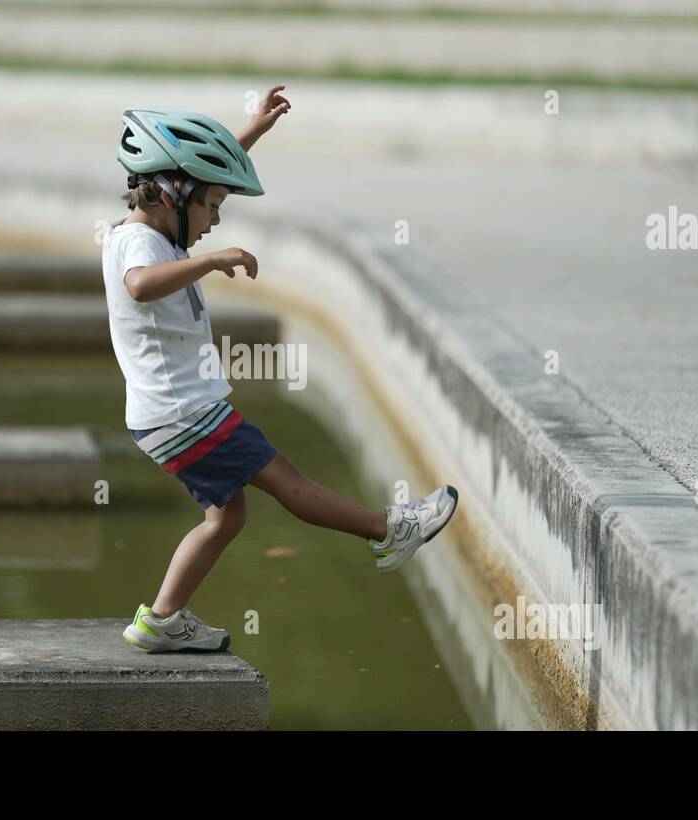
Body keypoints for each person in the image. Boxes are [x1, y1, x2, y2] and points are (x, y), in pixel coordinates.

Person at [102, 86, 458, 652]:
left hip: (168, 417)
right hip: (185, 414)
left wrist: (253, 131)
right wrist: (212, 260)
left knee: (227, 516)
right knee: (288, 482)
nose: (217, 219)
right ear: (174, 195)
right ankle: (389, 530)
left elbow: (194, 176)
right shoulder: (141, 244)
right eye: (213, 205)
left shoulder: (152, 227)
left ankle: (161, 620)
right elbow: (140, 287)